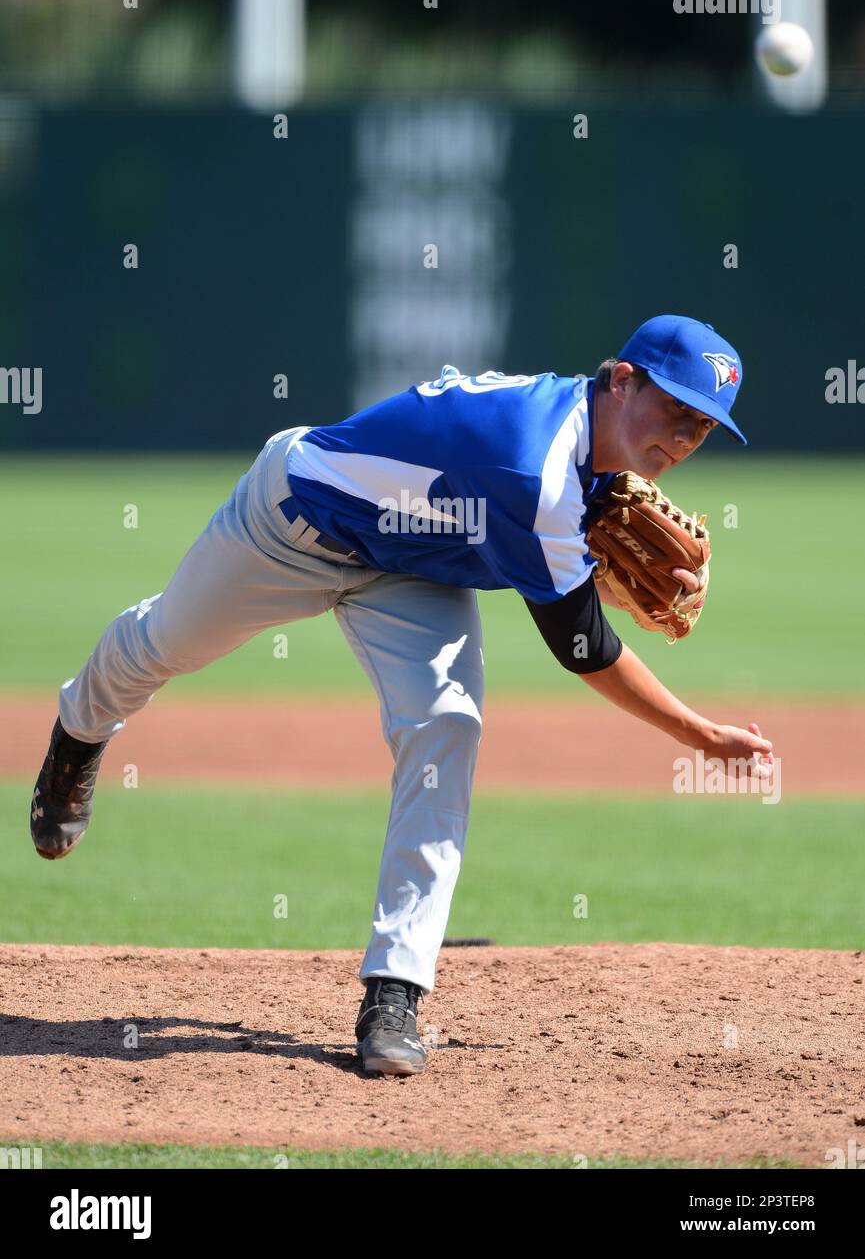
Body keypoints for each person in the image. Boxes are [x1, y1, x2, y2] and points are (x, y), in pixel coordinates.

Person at [30, 313, 773, 1076]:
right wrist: (699, 735)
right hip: (292, 523)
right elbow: (582, 647)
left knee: (446, 727)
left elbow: (544, 550)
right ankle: (79, 731)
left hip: (417, 571)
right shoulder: (536, 468)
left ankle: (396, 989)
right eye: (674, 408)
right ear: (621, 380)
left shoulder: (586, 451)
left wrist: (601, 578)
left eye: (703, 425)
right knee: (161, 647)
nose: (683, 437)